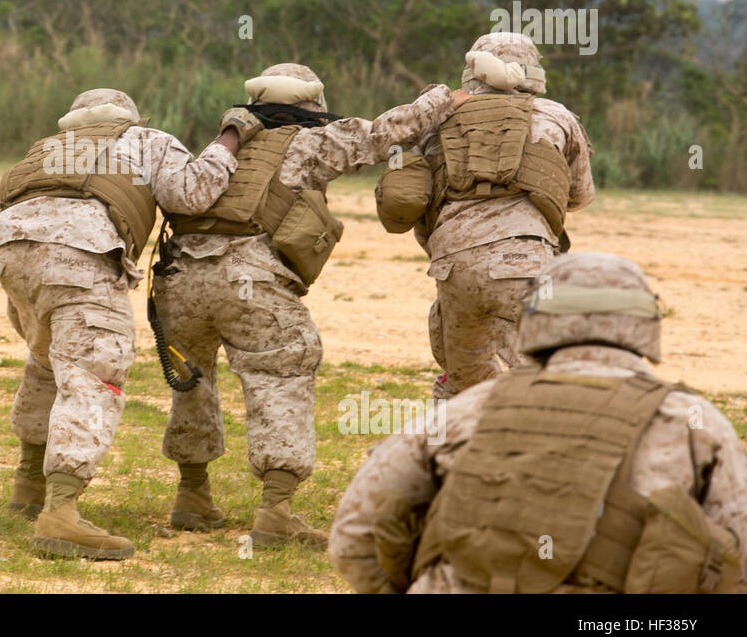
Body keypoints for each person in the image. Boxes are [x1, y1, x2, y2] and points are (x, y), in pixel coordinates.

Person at [154, 64, 464, 548]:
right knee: (281, 376)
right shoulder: (313, 140)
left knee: (192, 381)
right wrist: (444, 98)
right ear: (312, 105)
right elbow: (388, 132)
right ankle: (275, 512)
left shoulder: (224, 145)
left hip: (179, 282)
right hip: (250, 279)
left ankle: (192, 495)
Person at [329, 251, 747, 594]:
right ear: (644, 323)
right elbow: (737, 558)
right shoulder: (696, 423)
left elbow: (356, 537)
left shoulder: (464, 410)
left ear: (535, 316)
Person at [0, 88, 243, 559]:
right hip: (81, 254)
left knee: (47, 361)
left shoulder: (48, 146)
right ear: (130, 117)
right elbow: (193, 194)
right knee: (91, 374)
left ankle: (28, 486)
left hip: (10, 254)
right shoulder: (145, 139)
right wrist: (230, 138)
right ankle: (61, 514)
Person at [374, 32, 594, 398]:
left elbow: (413, 197)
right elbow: (578, 196)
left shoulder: (438, 120)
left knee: (466, 386)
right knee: (546, 379)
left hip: (452, 264)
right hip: (523, 260)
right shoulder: (556, 116)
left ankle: (452, 452)